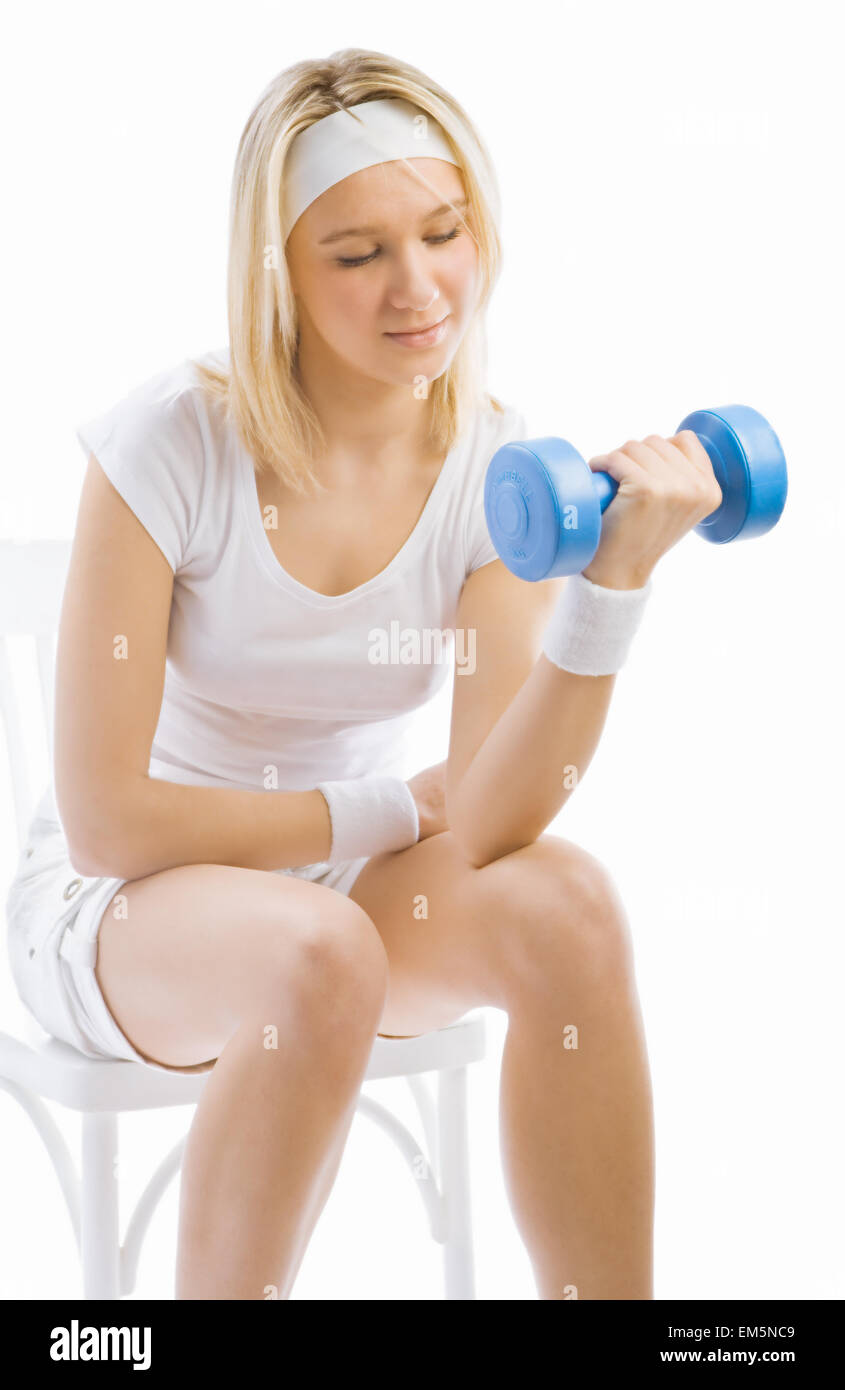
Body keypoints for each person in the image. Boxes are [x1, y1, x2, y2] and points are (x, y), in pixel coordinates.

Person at [4, 47, 721, 1300]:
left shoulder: (498, 474)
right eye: (355, 254)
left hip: (337, 895)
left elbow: (492, 816)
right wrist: (385, 808)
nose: (419, 289)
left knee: (569, 904)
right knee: (316, 950)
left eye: (443, 232)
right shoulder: (169, 441)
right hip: (124, 910)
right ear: (273, 270)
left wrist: (610, 587)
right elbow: (113, 821)